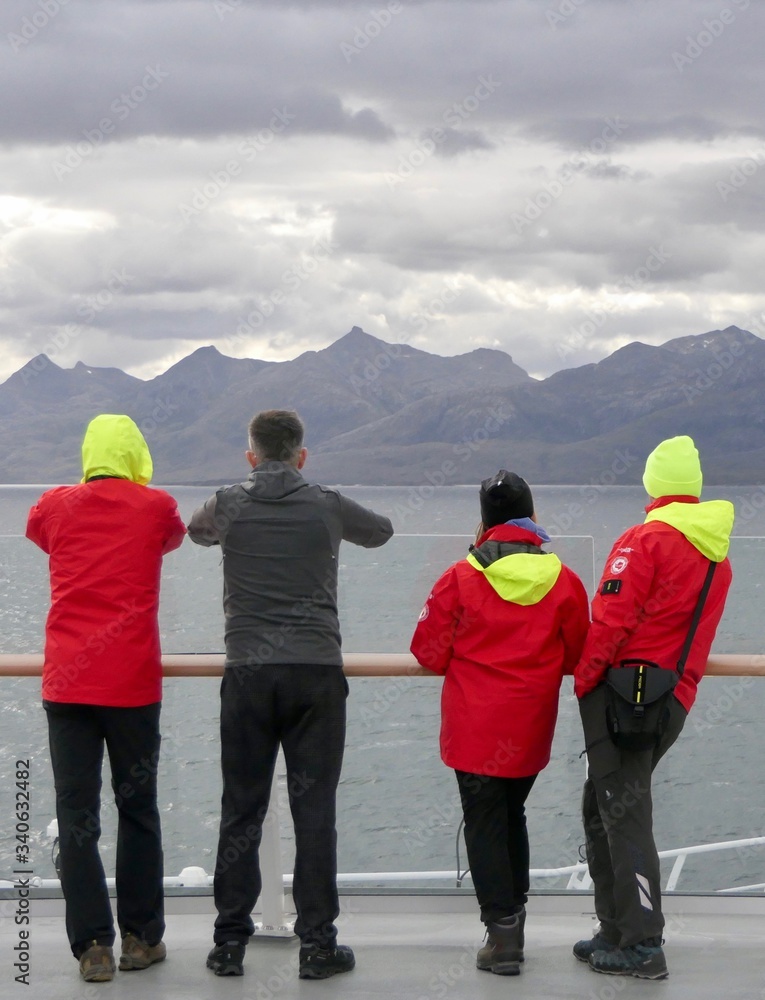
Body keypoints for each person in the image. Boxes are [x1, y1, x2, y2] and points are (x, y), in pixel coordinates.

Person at [188, 408, 393, 980]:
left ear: (251, 455)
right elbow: (380, 531)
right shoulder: (325, 503)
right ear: (302, 455)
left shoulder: (229, 501)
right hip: (315, 675)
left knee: (241, 809)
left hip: (249, 674)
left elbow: (195, 532)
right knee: (315, 813)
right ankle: (318, 947)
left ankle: (229, 943)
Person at [26, 413, 186, 983]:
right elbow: (169, 540)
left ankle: (92, 945)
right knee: (137, 809)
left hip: (67, 683)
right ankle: (141, 939)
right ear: (136, 454)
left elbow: (39, 532)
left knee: (77, 816)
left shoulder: (53, 505)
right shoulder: (157, 507)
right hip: (131, 685)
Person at [410, 470, 589, 976]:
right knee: (513, 816)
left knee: (486, 824)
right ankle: (514, 922)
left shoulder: (460, 577)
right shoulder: (565, 580)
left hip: (474, 730)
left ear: (483, 523)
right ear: (532, 518)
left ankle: (503, 937)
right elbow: (578, 653)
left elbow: (426, 652)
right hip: (530, 729)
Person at [573, 435, 734, 980]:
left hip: (622, 700)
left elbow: (611, 622)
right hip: (673, 701)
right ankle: (616, 926)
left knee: (622, 817)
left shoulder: (644, 541)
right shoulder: (717, 556)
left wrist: (584, 683)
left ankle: (642, 944)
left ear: (653, 484)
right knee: (605, 808)